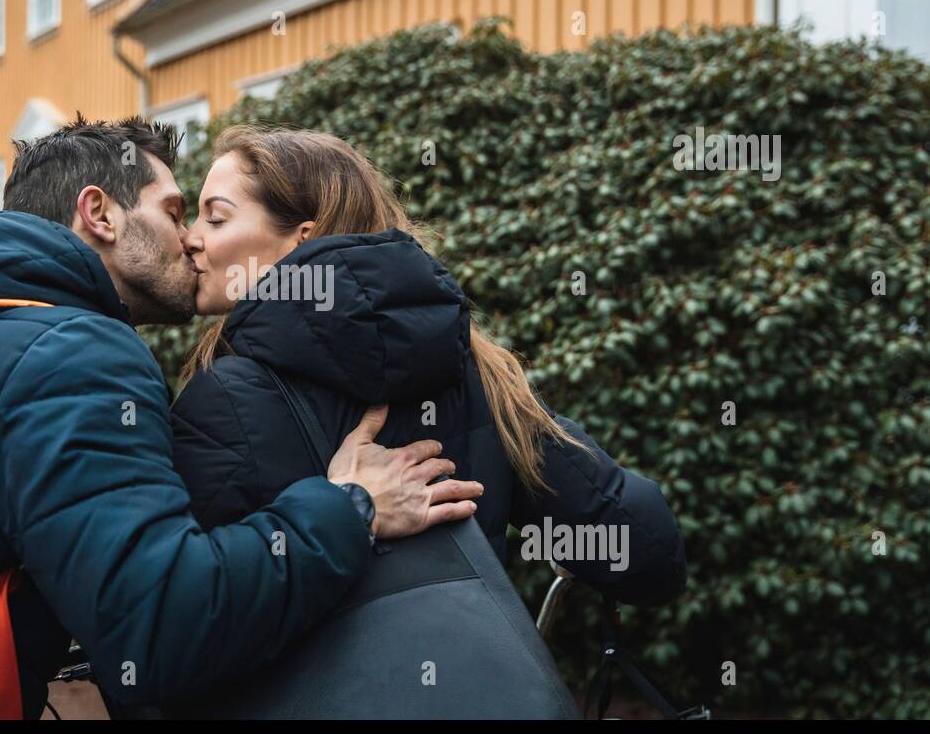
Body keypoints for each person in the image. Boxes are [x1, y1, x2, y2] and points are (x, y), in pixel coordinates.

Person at [0, 117, 482, 718]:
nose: (189, 239)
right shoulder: (74, 354)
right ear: (99, 213)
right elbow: (161, 627)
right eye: (174, 210)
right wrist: (349, 507)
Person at [174, 125, 688, 607]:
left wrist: (341, 512)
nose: (190, 237)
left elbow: (190, 614)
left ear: (302, 240)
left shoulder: (220, 397)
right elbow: (647, 554)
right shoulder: (479, 376)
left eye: (215, 218)